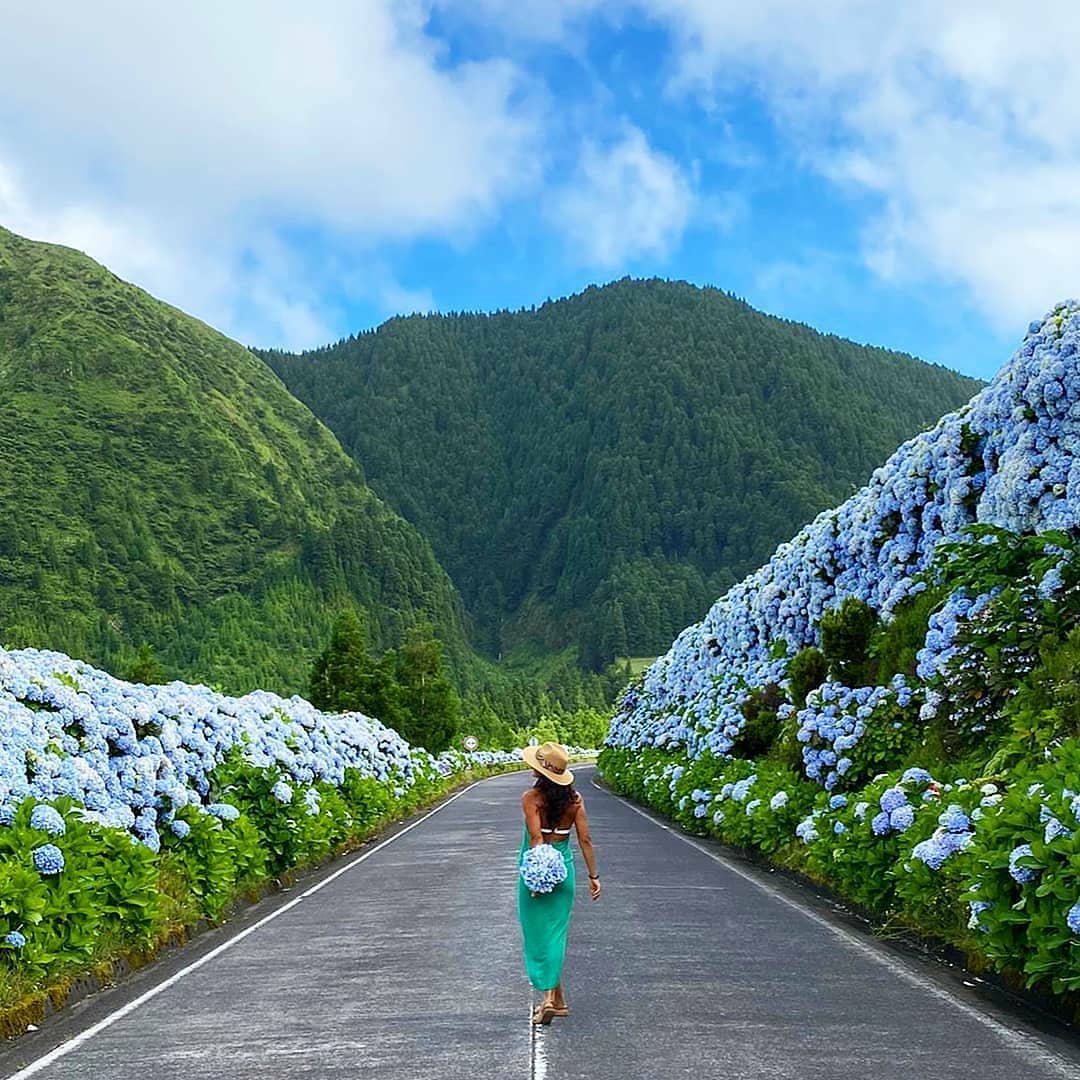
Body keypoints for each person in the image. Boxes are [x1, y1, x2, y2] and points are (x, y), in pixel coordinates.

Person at [518, 741, 600, 1025]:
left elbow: (536, 838)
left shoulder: (531, 798)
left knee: (538, 934)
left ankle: (549, 1000)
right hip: (564, 869)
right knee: (555, 934)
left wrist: (536, 878)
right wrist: (593, 876)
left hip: (538, 869)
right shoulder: (575, 800)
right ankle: (559, 1001)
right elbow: (585, 839)